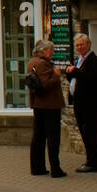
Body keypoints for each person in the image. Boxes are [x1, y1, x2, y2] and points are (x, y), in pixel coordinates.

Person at [63, 32, 97, 172]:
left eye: (82, 44)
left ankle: (93, 162)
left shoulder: (94, 61)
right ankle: (94, 160)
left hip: (89, 102)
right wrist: (70, 73)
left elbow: (92, 80)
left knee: (90, 132)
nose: (79, 47)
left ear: (88, 44)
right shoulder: (79, 60)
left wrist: (75, 72)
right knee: (84, 132)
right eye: (77, 45)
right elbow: (75, 79)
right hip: (79, 101)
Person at [27, 40, 66, 177]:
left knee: (38, 136)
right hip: (49, 105)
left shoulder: (32, 62)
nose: (52, 53)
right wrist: (56, 75)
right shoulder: (42, 64)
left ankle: (37, 167)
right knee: (53, 137)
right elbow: (45, 84)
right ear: (44, 51)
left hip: (38, 105)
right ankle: (55, 169)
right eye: (51, 50)